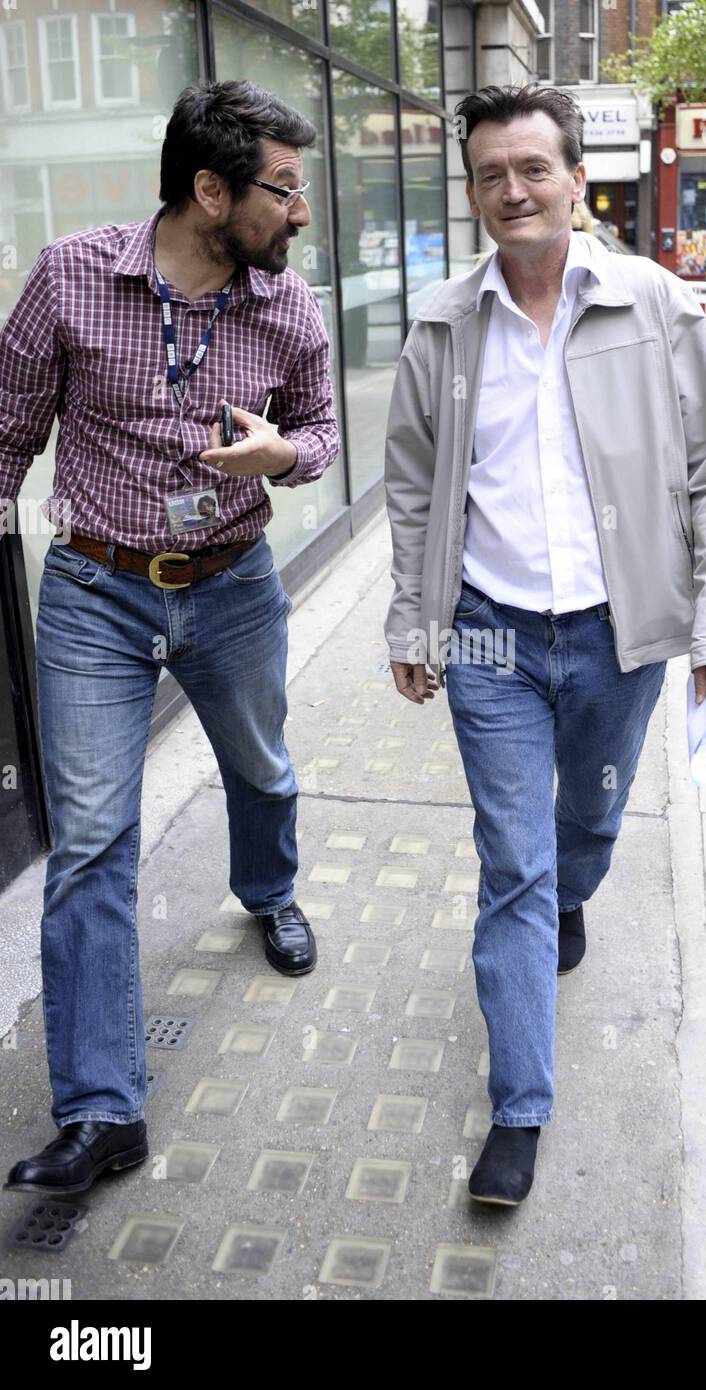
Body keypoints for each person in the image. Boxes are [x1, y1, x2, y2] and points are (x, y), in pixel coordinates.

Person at [383, 83, 706, 1206]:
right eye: (491, 174)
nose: (513, 191)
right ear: (471, 190)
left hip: (618, 634)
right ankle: (519, 1110)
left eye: (532, 169)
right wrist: (415, 621)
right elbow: (411, 488)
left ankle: (573, 887)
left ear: (573, 179)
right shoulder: (443, 323)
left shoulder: (653, 303)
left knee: (586, 820)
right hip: (492, 638)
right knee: (513, 864)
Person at [0, 79, 340, 1197]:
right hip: (95, 590)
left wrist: (281, 458)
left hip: (234, 581)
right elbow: (9, 429)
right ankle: (105, 1109)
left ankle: (268, 886)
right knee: (92, 839)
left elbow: (327, 432)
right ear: (210, 190)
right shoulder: (72, 275)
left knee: (260, 764)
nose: (300, 212)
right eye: (283, 190)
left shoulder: (287, 307)